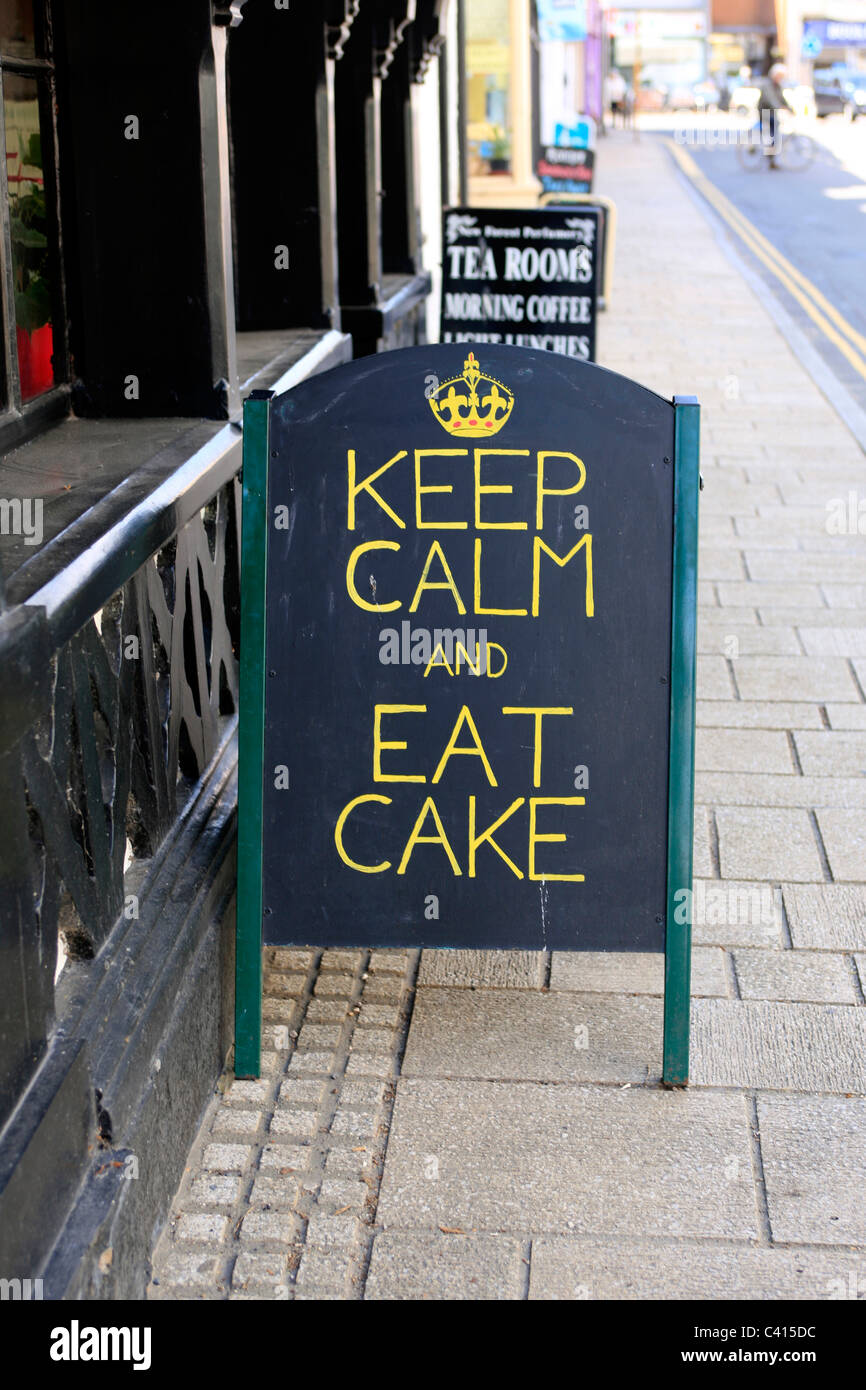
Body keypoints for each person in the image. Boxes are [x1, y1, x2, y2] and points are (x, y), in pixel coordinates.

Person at [757, 62, 792, 168]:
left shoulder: (778, 86)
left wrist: (790, 108)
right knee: (772, 134)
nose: (780, 78)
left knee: (775, 132)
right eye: (779, 76)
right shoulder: (767, 85)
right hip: (765, 112)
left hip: (772, 112)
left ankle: (772, 157)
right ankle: (770, 154)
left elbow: (782, 99)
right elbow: (771, 99)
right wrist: (779, 107)